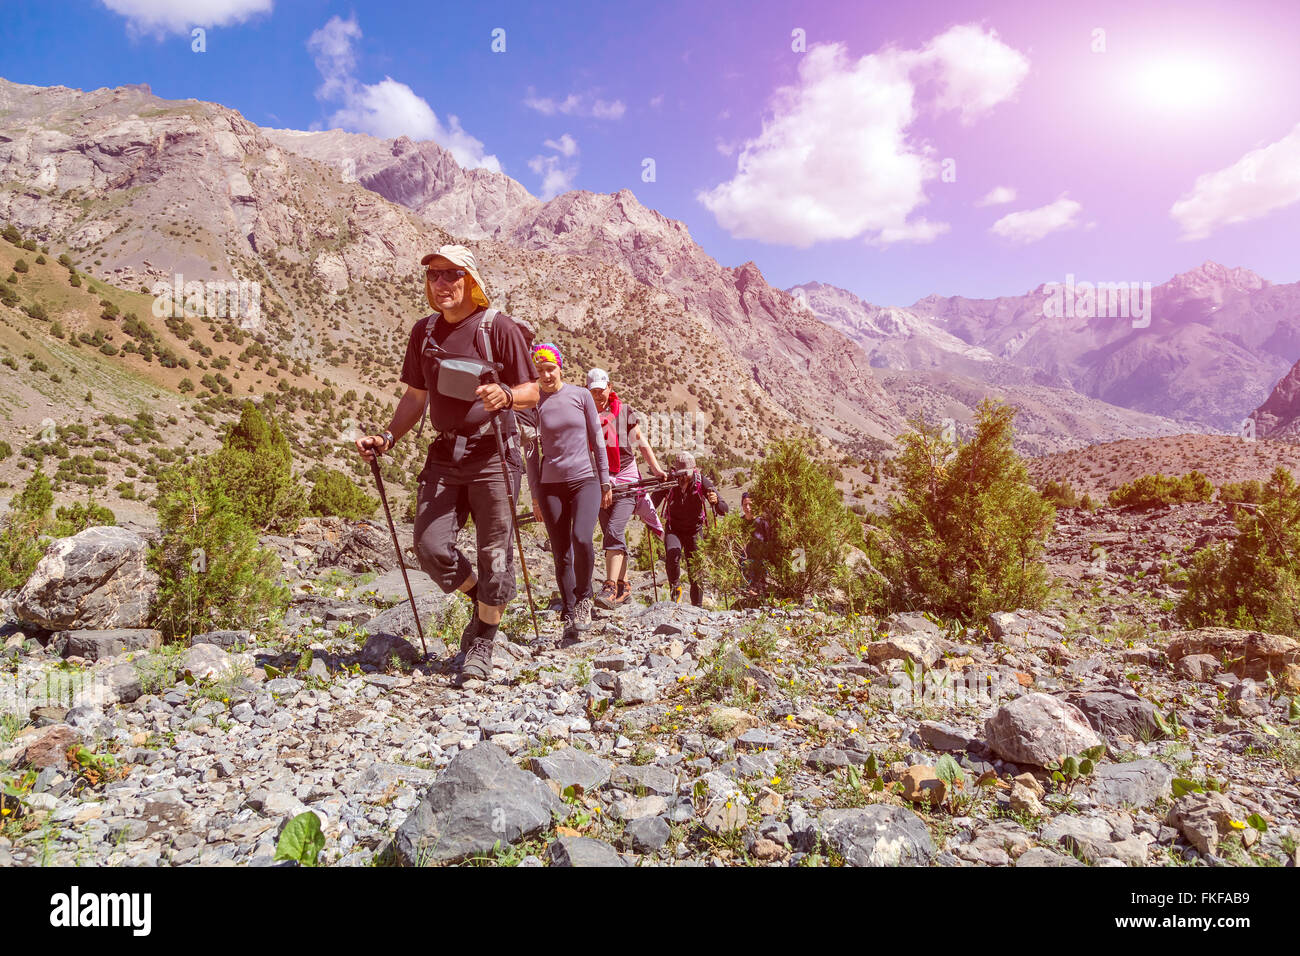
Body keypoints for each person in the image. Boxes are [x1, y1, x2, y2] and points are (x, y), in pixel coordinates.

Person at [356, 244, 538, 683]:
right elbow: (416, 398)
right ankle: (484, 602)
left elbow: (533, 389)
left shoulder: (500, 328)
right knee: (430, 545)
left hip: (494, 453)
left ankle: (484, 640)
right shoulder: (425, 333)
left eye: (451, 275)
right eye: (434, 275)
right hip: (445, 453)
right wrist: (387, 437)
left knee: (495, 553)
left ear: (470, 282)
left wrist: (508, 396)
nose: (441, 284)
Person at [525, 343, 611, 640]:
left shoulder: (581, 395)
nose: (546, 375)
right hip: (551, 487)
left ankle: (585, 597)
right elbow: (531, 456)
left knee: (581, 537)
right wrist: (535, 495)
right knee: (561, 552)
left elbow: (597, 440)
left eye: (551, 368)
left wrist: (605, 480)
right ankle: (571, 609)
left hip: (584, 480)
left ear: (560, 367)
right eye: (540, 370)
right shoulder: (533, 403)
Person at [587, 368, 667, 609]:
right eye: (594, 391)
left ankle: (610, 587)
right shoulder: (586, 414)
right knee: (613, 534)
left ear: (609, 387)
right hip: (601, 481)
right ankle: (625, 588)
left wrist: (656, 469)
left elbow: (641, 443)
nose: (598, 395)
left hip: (627, 479)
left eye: (601, 390)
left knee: (613, 528)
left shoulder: (624, 412)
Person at [659, 451, 728, 606]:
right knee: (672, 555)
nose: (682, 478)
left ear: (694, 470)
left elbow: (724, 509)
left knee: (696, 569)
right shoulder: (670, 482)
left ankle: (697, 605)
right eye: (679, 474)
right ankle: (675, 590)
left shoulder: (701, 481)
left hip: (694, 530)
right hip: (674, 528)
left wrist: (715, 501)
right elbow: (651, 502)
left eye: (686, 474)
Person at [740, 490, 772, 600]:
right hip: (744, 564)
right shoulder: (739, 523)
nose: (748, 507)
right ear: (742, 506)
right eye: (745, 504)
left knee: (760, 593)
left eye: (750, 504)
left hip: (760, 565)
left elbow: (768, 542)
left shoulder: (762, 522)